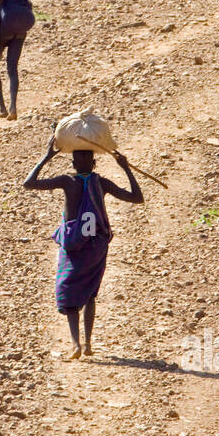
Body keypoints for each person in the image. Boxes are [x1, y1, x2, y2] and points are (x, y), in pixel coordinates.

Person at [23, 133, 142, 359]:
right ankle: (87, 344)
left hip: (72, 247)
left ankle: (76, 344)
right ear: (94, 162)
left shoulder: (68, 181)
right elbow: (137, 198)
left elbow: (29, 183)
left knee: (67, 293)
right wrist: (126, 168)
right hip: (96, 247)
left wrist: (46, 157)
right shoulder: (101, 183)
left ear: (73, 163)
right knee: (89, 293)